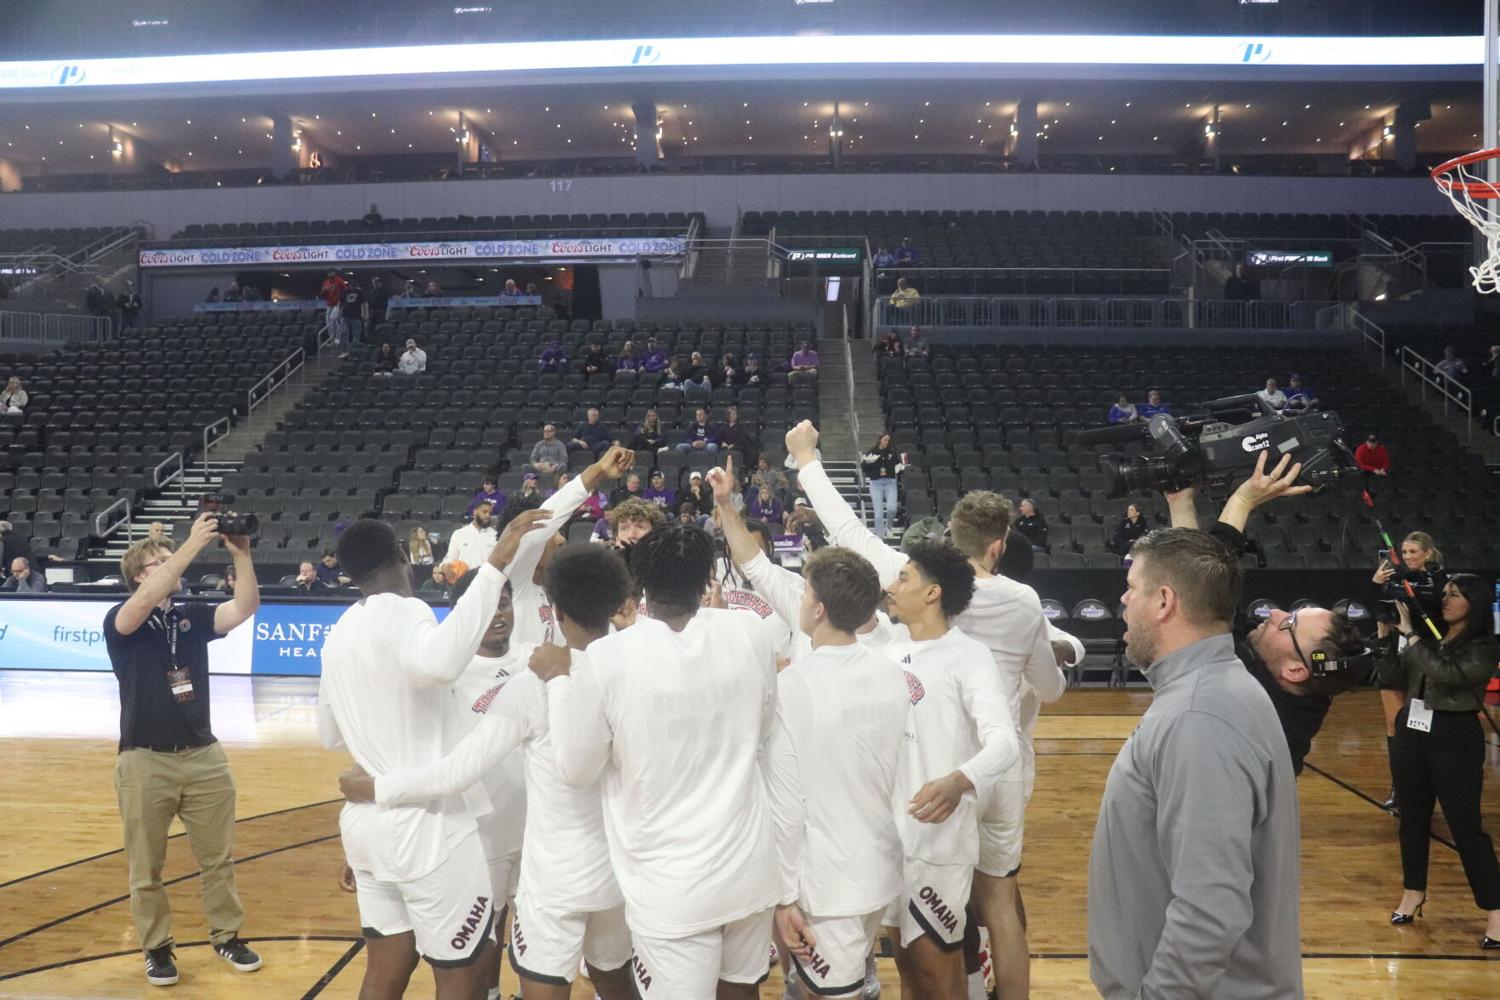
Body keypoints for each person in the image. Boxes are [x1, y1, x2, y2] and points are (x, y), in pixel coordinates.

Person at [786, 424, 1030, 1000]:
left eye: (905, 576)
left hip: (940, 840)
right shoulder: (887, 648)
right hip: (888, 836)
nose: (892, 582)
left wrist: (960, 779)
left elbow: (1004, 743)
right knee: (907, 970)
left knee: (936, 969)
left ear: (933, 593)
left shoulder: (968, 657)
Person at [341, 543, 642, 1000]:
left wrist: (375, 790)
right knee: (616, 981)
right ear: (618, 603)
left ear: (554, 609)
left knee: (533, 981)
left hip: (554, 876)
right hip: (619, 868)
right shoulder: (637, 673)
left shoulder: (532, 681)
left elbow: (453, 774)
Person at [531, 523, 779, 1000]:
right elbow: (763, 725)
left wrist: (560, 682)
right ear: (708, 574)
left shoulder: (607, 658)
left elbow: (576, 769)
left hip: (672, 883)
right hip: (750, 864)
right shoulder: (750, 630)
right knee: (742, 992)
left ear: (637, 582)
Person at [316, 509, 549, 1000]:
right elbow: (442, 664)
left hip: (367, 826)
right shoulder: (406, 610)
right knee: (459, 976)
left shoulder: (337, 633)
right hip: (426, 828)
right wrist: (498, 559)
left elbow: (329, 733)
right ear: (403, 554)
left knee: (383, 971)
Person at [1089, 527, 1302, 998]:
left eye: (1133, 587)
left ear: (1164, 601)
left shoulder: (1199, 715)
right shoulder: (1215, 690)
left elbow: (1211, 907)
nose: (1124, 600)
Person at [103, 515, 262, 987]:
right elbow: (149, 598)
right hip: (144, 757)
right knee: (145, 867)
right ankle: (157, 948)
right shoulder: (121, 617)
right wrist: (191, 543)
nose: (169, 567)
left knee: (218, 860)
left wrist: (242, 555)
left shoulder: (191, 613)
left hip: (202, 756)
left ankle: (227, 936)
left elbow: (245, 607)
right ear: (138, 575)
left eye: (169, 561)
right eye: (157, 563)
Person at [766, 548, 910, 1000]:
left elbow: (787, 807)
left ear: (820, 608)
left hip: (827, 883)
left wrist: (784, 896)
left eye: (806, 591)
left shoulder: (793, 685)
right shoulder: (892, 674)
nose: (802, 600)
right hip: (880, 865)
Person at [1376, 573, 1500, 947]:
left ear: (1473, 604)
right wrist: (1387, 635)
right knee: (1410, 819)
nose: (1445, 600)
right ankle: (1413, 891)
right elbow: (1391, 675)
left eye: (1455, 594)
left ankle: (1495, 910)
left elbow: (1445, 675)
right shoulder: (1428, 641)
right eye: (1444, 593)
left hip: (1455, 736)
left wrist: (1413, 636)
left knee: (1466, 827)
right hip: (1412, 732)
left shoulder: (1483, 647)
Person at [1372, 530, 1449, 808]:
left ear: (1428, 553)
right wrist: (1377, 587)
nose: (1407, 557)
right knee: (1394, 725)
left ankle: (1423, 788)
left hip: (1424, 658)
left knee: (1417, 725)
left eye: (1413, 552)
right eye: (1404, 553)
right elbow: (1380, 614)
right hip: (1393, 655)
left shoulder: (1441, 581)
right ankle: (1399, 788)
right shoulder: (1395, 580)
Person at [861, 433, 903, 539]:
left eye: (888, 440)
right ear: (880, 440)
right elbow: (864, 468)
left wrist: (900, 467)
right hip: (876, 484)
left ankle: (889, 526)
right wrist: (868, 463)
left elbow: (898, 464)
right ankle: (879, 535)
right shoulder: (872, 452)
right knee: (878, 513)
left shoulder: (892, 452)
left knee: (892, 508)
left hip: (890, 482)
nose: (886, 442)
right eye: (885, 440)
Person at [447, 500, 498, 571]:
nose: (488, 516)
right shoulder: (459, 534)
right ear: (475, 512)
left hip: (487, 580)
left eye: (490, 513)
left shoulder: (496, 536)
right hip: (465, 579)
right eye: (484, 512)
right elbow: (451, 559)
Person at [320, 270, 348, 347]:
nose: (331, 274)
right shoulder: (326, 282)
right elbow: (322, 294)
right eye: (329, 272)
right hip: (329, 304)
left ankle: (338, 339)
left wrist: (341, 300)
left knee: (334, 320)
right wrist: (324, 290)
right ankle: (332, 340)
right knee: (328, 322)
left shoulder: (338, 280)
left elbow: (345, 289)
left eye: (332, 272)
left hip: (337, 304)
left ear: (334, 273)